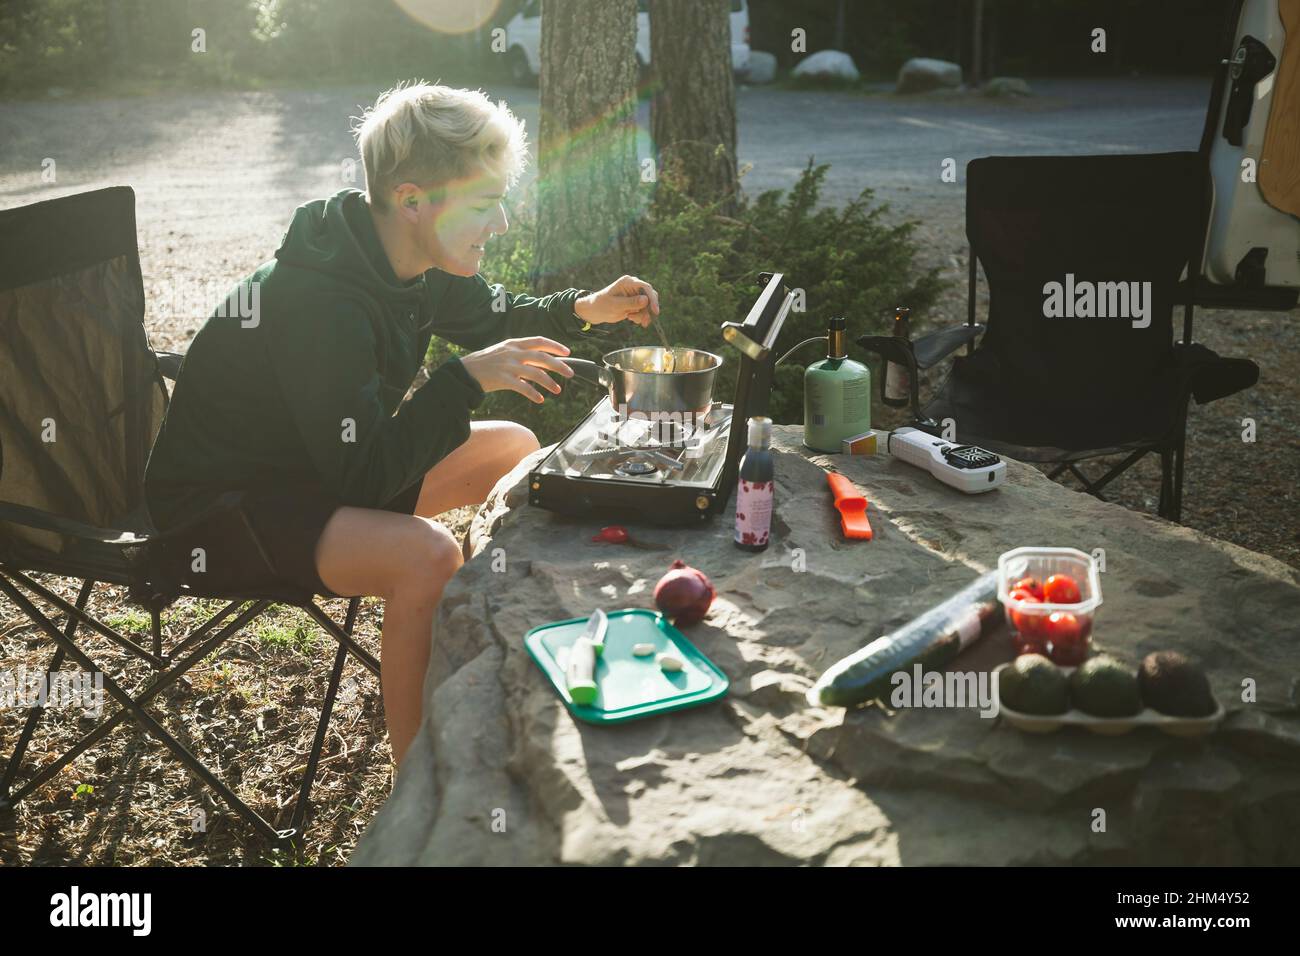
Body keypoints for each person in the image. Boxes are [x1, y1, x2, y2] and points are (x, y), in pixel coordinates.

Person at [144, 81, 660, 770]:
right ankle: (418, 783)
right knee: (427, 557)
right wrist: (462, 379)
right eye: (483, 204)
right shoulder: (320, 302)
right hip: (223, 512)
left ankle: (487, 650)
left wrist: (584, 308)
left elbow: (495, 313)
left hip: (311, 471)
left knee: (512, 447)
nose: (501, 222)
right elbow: (362, 471)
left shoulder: (406, 256)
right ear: (413, 200)